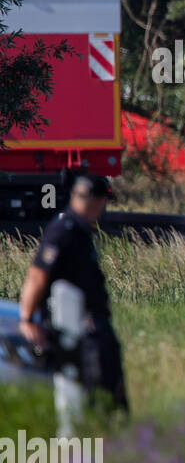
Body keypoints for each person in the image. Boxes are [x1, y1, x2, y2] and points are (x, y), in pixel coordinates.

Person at [17, 174, 129, 414]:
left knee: (110, 384)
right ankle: (93, 434)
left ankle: (110, 432)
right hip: (78, 327)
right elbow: (37, 276)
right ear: (97, 201)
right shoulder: (63, 230)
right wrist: (27, 318)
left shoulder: (80, 231)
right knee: (94, 385)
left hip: (91, 323)